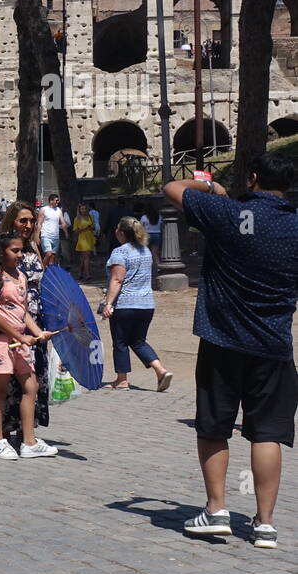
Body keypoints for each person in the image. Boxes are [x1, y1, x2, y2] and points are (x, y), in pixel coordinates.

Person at [165, 154, 298, 549]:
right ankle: (265, 524)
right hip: (273, 343)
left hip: (222, 338)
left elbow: (172, 188)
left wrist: (211, 186)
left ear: (253, 179)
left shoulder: (227, 212)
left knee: (213, 426)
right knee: (268, 434)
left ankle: (217, 509)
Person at [0, 233, 58, 459]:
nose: (19, 255)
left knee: (31, 387)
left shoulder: (21, 276)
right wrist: (19, 336)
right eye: (14, 251)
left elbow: (22, 312)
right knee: (1, 390)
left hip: (20, 340)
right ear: (1, 252)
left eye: (21, 251)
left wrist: (37, 333)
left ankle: (29, 441)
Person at [0, 202, 52, 450]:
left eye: (31, 221)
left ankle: (28, 433)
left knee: (33, 379)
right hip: (11, 324)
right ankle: (5, 433)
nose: (27, 226)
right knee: (11, 382)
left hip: (36, 322)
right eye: (22, 221)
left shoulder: (34, 247)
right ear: (11, 222)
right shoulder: (1, 250)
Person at [101, 216, 173, 392]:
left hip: (125, 304)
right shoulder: (145, 251)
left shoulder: (120, 252)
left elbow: (117, 279)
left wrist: (108, 303)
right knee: (138, 341)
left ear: (122, 233)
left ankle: (122, 380)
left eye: (117, 229)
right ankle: (160, 370)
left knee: (120, 342)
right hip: (146, 305)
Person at [38, 193, 69, 267]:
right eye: (56, 200)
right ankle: (42, 270)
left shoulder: (58, 210)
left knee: (52, 257)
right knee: (48, 254)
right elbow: (39, 223)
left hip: (55, 237)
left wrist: (66, 233)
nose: (58, 202)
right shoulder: (44, 209)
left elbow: (63, 222)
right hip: (46, 236)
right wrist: (37, 235)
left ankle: (50, 272)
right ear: (51, 201)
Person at [73, 206, 97, 280]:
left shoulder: (90, 216)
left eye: (85, 208)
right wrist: (84, 228)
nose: (83, 210)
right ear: (79, 210)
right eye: (82, 209)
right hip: (82, 238)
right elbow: (75, 230)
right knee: (87, 256)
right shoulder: (77, 219)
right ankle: (87, 274)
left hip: (90, 237)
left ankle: (80, 273)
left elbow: (93, 226)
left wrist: (91, 227)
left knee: (83, 258)